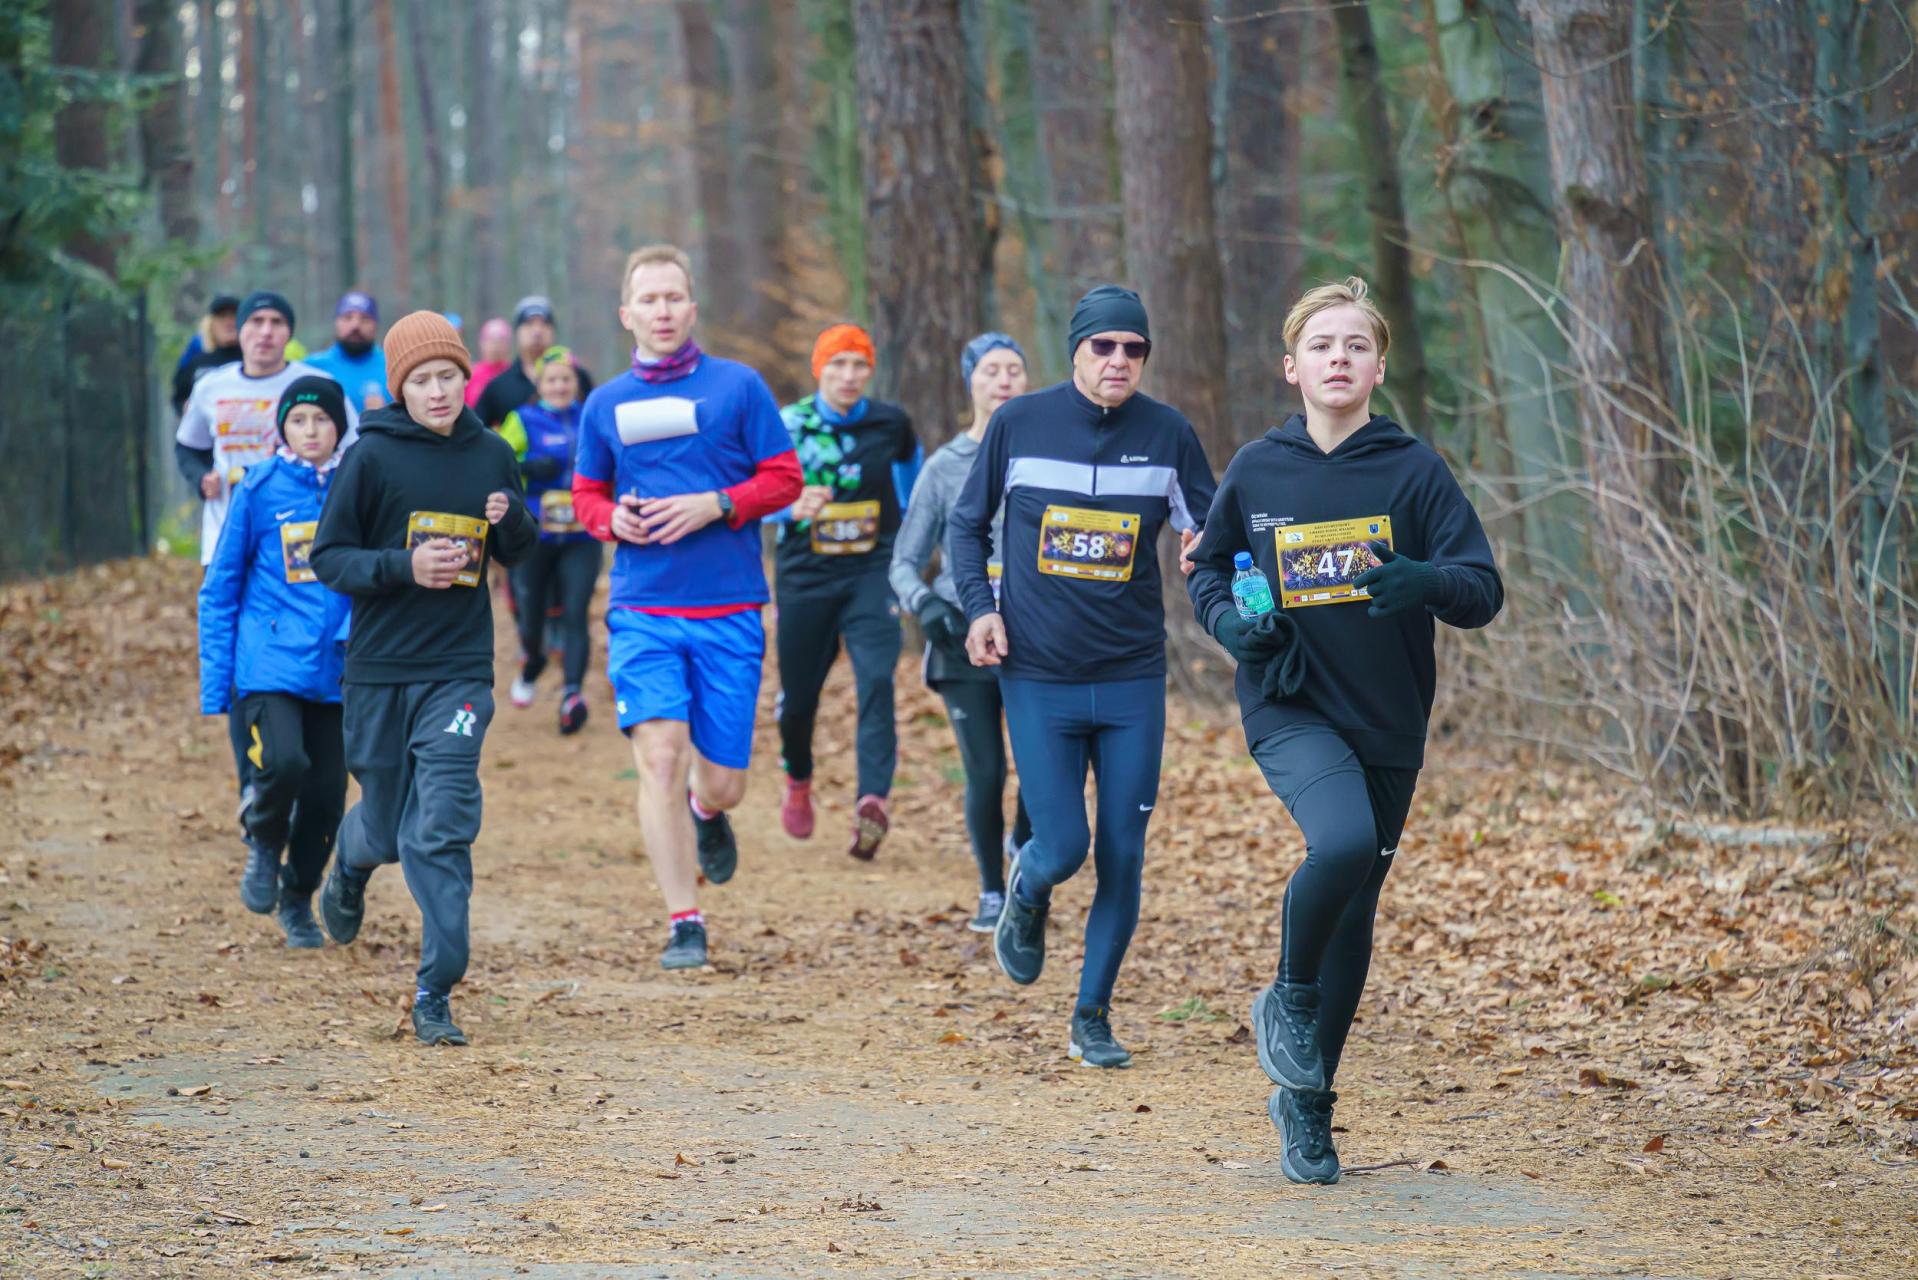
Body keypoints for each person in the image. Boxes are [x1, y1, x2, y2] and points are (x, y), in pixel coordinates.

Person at [1188, 277, 1503, 1184]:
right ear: (1293, 366)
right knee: (1342, 843)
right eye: (1322, 345)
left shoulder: (1413, 470)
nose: (1339, 358)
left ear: (1377, 367)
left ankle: (1309, 1105)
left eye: (1356, 346)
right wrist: (1231, 626)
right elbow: (1209, 570)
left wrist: (1423, 582)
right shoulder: (1258, 468)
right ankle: (1285, 998)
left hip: (1390, 716)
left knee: (1357, 914)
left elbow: (1481, 588)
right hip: (1290, 702)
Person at [949, 285, 1217, 1070]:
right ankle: (1026, 896)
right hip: (1038, 672)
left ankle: (1091, 1014)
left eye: (1134, 349)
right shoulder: (1019, 424)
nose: (1120, 361)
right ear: (1076, 351)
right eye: (1105, 347)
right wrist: (978, 609)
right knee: (1062, 845)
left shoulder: (1168, 434)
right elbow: (966, 525)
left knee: (1124, 853)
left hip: (1131, 677)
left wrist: (1214, 558)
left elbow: (1209, 527)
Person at [309, 311, 539, 1047]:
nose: (438, 391)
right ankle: (349, 861)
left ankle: (436, 985)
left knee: (440, 823)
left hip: (459, 672)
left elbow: (521, 551)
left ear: (465, 377)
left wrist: (510, 523)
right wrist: (403, 566)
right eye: (422, 380)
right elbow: (330, 556)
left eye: (448, 376)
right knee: (385, 822)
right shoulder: (370, 457)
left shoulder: (492, 453)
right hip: (379, 672)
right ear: (399, 386)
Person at [570, 244, 802, 971]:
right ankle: (684, 921)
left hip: (729, 605)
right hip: (644, 607)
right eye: (649, 300)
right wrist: (613, 521)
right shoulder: (604, 403)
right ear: (626, 314)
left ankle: (709, 815)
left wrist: (720, 502)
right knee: (662, 757)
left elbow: (786, 478)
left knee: (723, 781)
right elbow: (585, 495)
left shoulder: (738, 388)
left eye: (674, 298)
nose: (663, 311)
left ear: (692, 308)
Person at [177, 291, 357, 806]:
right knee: (245, 654)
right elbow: (187, 445)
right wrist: (201, 479)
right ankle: (252, 784)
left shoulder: (316, 388)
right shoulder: (213, 385)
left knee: (295, 645)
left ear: (288, 332)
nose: (265, 331)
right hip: (229, 532)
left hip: (301, 544)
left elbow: (355, 450)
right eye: (255, 321)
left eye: (278, 321)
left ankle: (293, 769)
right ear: (239, 330)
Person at [197, 376, 354, 949]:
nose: (311, 431)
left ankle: (297, 897)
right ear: (282, 429)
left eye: (322, 420)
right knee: (283, 762)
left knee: (327, 798)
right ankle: (263, 842)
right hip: (269, 662)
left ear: (340, 426)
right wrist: (218, 684)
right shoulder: (260, 488)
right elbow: (220, 590)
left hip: (337, 668)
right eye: (298, 421)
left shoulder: (357, 487)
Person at [888, 332, 1033, 928]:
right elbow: (902, 561)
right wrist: (926, 607)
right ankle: (992, 890)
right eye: (991, 370)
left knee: (1045, 763)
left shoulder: (1046, 458)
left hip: (1037, 636)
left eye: (1014, 371)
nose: (1003, 381)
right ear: (969, 382)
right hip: (960, 636)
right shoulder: (945, 468)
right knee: (986, 770)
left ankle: (1023, 846)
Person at [772, 324, 923, 859]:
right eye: (838, 364)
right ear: (819, 369)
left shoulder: (891, 423)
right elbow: (756, 494)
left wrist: (908, 531)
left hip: (870, 570)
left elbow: (913, 478)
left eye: (859, 364)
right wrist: (790, 507)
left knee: (877, 678)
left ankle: (872, 800)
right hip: (805, 575)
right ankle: (798, 777)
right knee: (799, 699)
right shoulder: (788, 425)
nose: (849, 376)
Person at [501, 346, 601, 734]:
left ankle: (572, 695)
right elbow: (499, 463)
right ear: (539, 384)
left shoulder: (591, 416)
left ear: (576, 384)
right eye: (552, 380)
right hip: (535, 533)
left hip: (581, 533)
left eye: (566, 379)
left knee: (576, 611)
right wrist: (527, 468)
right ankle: (533, 664)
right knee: (532, 616)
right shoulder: (522, 419)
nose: (559, 386)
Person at [475, 295, 596, 428]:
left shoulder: (579, 378)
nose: (537, 331)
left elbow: (595, 419)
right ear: (517, 332)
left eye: (544, 324)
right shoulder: (499, 386)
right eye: (529, 324)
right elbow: (477, 429)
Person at [304, 290, 390, 411]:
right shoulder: (312, 368)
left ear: (375, 324)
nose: (355, 325)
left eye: (365, 318)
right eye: (347, 317)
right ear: (336, 322)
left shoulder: (393, 367)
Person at [172, 294, 241, 415]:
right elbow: (179, 398)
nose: (229, 322)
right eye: (222, 316)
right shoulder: (196, 363)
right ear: (211, 324)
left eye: (234, 316)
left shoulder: (255, 363)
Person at [465, 318, 514, 408]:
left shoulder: (515, 374)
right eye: (491, 340)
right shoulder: (470, 375)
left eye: (501, 341)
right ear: (481, 343)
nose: (496, 346)